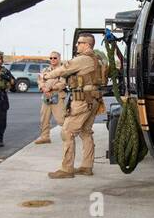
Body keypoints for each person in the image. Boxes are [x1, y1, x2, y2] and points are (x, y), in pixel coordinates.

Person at [40, 32, 107, 178]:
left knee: (67, 131)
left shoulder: (83, 59)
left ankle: (66, 169)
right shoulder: (98, 59)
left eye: (79, 42)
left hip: (82, 100)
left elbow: (64, 69)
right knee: (85, 132)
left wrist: (45, 76)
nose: (77, 45)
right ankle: (86, 166)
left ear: (87, 45)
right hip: (93, 99)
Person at [33, 51, 66, 144]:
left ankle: (68, 135)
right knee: (44, 118)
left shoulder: (63, 70)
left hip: (57, 96)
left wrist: (51, 88)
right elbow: (40, 80)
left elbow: (63, 83)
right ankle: (45, 137)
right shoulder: (45, 70)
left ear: (59, 58)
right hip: (46, 96)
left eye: (55, 58)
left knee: (61, 119)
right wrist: (43, 88)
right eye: (51, 58)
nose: (52, 60)